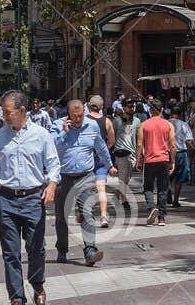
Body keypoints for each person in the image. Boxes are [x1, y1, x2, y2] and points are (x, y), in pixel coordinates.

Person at [0, 91, 60, 305]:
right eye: (3, 112)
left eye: (8, 112)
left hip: (33, 199)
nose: (4, 116)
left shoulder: (41, 135)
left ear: (22, 111)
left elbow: (53, 165)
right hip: (6, 198)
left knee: (36, 248)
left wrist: (52, 186)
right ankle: (16, 297)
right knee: (10, 251)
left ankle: (37, 284)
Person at [53, 97, 113, 266]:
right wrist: (64, 133)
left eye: (80, 115)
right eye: (74, 116)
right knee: (61, 217)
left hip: (85, 176)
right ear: (68, 114)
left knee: (87, 213)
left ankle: (90, 250)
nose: (78, 119)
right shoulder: (57, 126)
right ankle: (62, 249)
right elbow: (50, 148)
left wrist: (109, 166)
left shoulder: (92, 126)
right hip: (63, 177)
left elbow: (101, 147)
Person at [138, 104, 176, 226]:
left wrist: (138, 160)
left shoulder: (143, 125)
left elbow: (139, 144)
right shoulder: (169, 125)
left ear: (149, 110)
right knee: (163, 189)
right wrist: (173, 161)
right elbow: (173, 145)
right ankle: (161, 218)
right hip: (163, 160)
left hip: (149, 161)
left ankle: (151, 207)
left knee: (148, 187)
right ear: (162, 109)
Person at [86, 95, 115, 227]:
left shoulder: (84, 121)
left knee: (85, 189)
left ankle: (86, 214)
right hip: (102, 161)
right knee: (101, 189)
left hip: (87, 159)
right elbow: (112, 141)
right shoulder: (107, 122)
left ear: (88, 106)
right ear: (102, 107)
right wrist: (103, 150)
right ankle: (103, 217)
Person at [111, 100, 138, 192]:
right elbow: (112, 135)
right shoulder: (117, 120)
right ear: (124, 107)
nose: (131, 108)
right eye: (129, 106)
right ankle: (124, 201)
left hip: (132, 152)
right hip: (120, 150)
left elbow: (139, 137)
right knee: (123, 177)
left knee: (127, 177)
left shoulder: (136, 121)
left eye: (132, 106)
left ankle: (118, 195)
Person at [168, 106, 193, 207]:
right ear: (180, 114)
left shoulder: (166, 123)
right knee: (179, 178)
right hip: (181, 153)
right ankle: (176, 200)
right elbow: (189, 140)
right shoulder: (184, 124)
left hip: (167, 153)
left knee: (167, 176)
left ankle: (168, 193)